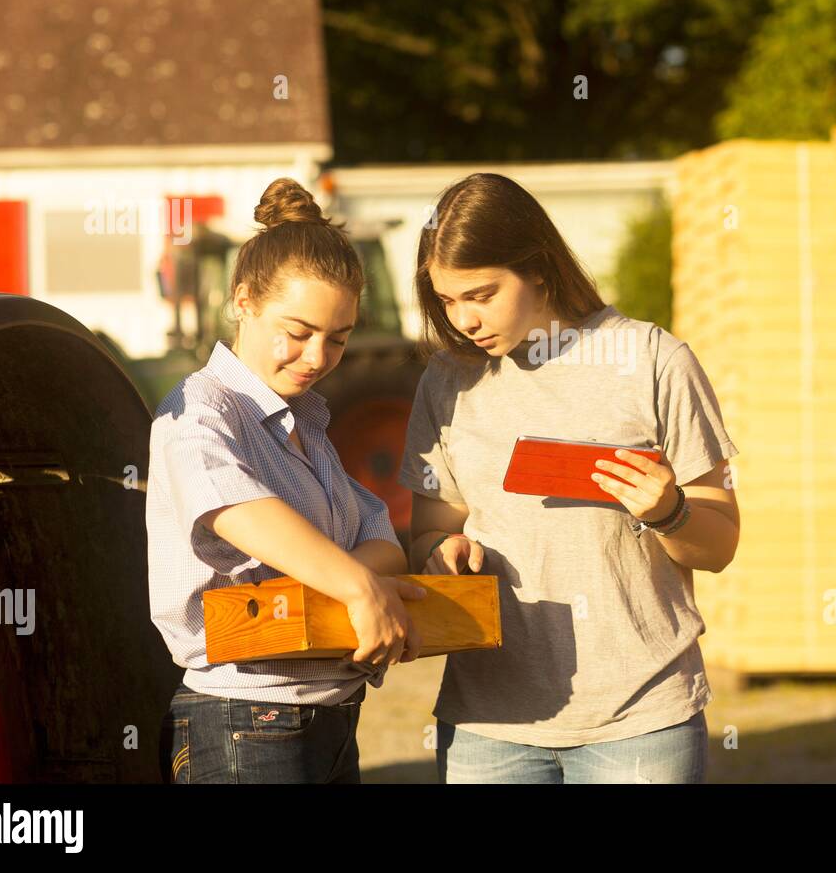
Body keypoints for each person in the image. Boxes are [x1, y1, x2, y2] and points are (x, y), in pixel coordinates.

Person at [398, 172, 741, 783]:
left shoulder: (652, 361)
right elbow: (429, 536)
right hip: (488, 728)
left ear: (537, 267)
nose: (464, 320)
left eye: (481, 294)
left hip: (641, 720)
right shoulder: (446, 382)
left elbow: (718, 545)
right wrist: (440, 553)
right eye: (448, 301)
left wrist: (670, 512)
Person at [147, 178, 426, 784]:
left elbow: (381, 532)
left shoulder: (310, 426)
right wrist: (356, 584)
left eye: (338, 339)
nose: (317, 357)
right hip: (243, 722)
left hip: (328, 720)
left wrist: (360, 577)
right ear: (243, 300)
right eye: (297, 333)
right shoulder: (200, 410)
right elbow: (236, 511)